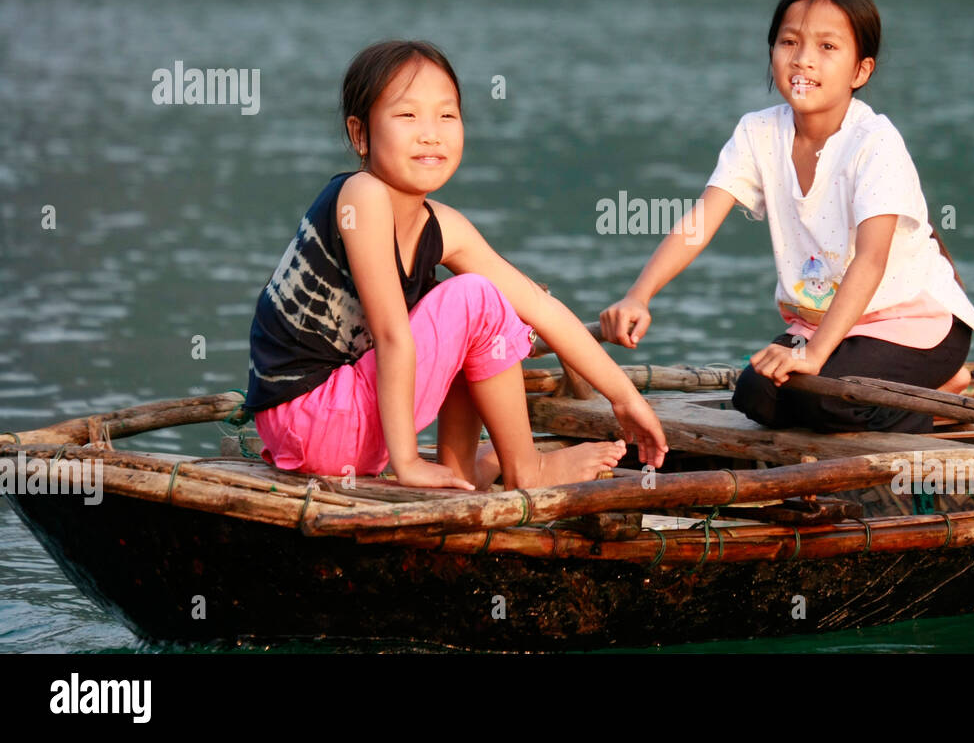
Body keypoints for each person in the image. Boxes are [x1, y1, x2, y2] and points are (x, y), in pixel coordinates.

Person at [245, 39, 668, 489]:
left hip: (324, 430)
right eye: (407, 116)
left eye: (446, 115)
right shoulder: (361, 196)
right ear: (360, 134)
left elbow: (541, 309)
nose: (430, 133)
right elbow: (391, 336)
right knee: (476, 299)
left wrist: (625, 399)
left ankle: (462, 468)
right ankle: (528, 468)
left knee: (483, 308)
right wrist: (407, 464)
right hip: (317, 420)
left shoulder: (444, 226)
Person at [600, 0, 974, 434]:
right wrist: (639, 295)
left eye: (827, 46)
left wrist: (814, 354)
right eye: (789, 42)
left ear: (861, 71)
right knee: (754, 393)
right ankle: (884, 390)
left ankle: (940, 392)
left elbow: (872, 259)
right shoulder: (758, 132)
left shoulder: (875, 143)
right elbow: (699, 223)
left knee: (821, 400)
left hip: (912, 324)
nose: (803, 59)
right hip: (825, 324)